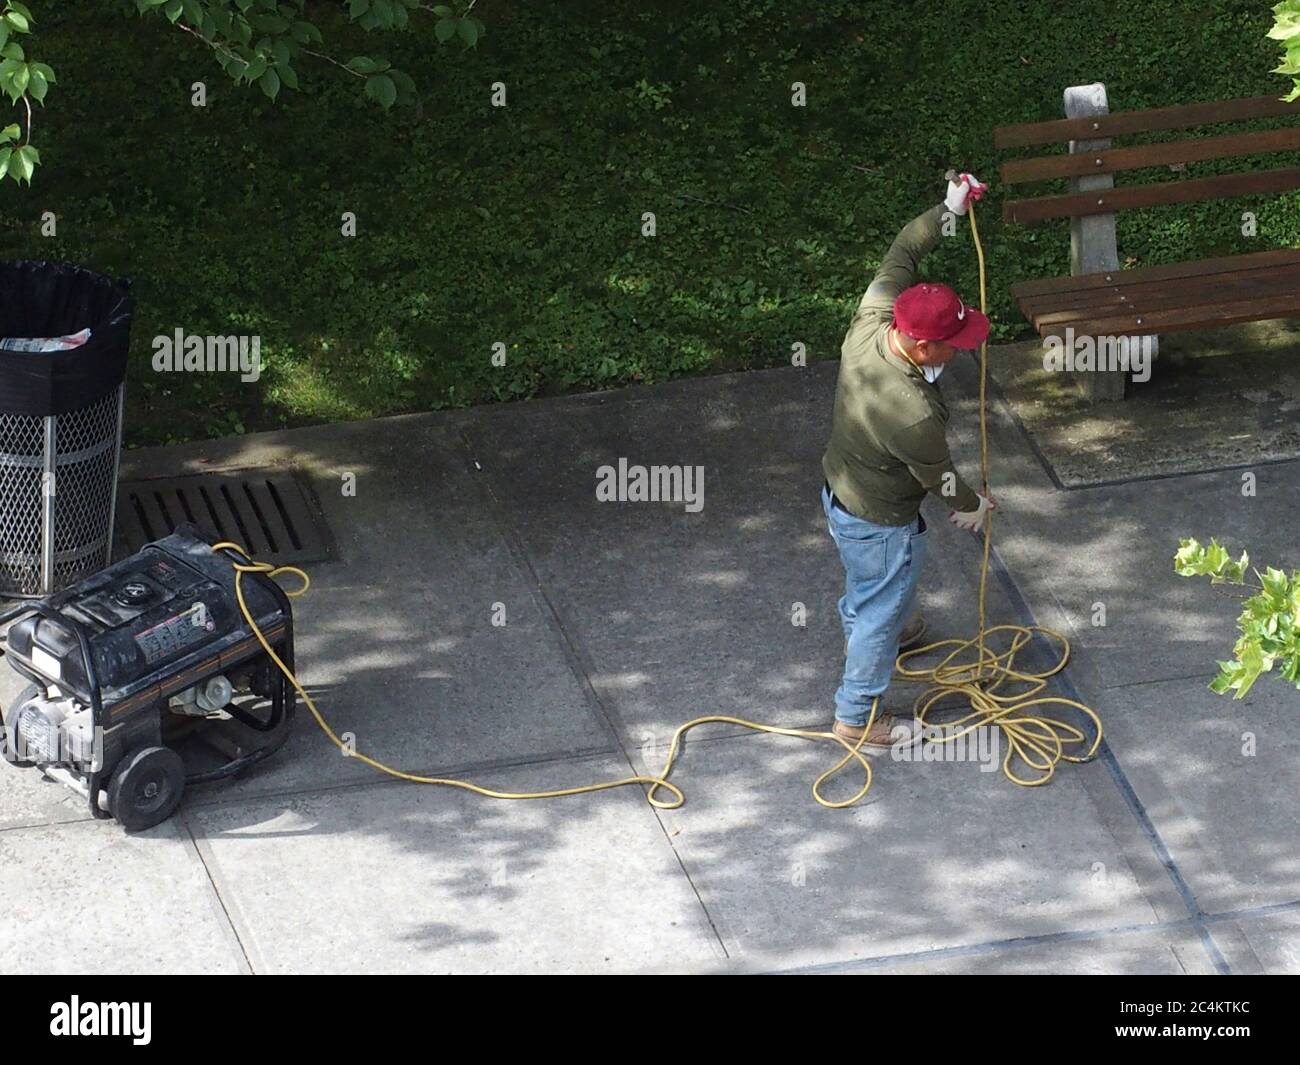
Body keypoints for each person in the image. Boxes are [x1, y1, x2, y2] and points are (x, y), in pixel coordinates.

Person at [820, 172, 995, 750]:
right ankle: (857, 718)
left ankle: (877, 628)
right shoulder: (914, 413)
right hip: (881, 520)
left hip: (842, 492)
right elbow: (939, 478)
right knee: (880, 602)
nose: (962, 347)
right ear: (923, 348)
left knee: (870, 588)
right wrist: (973, 507)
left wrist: (948, 210)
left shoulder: (873, 318)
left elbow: (904, 249)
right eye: (955, 342)